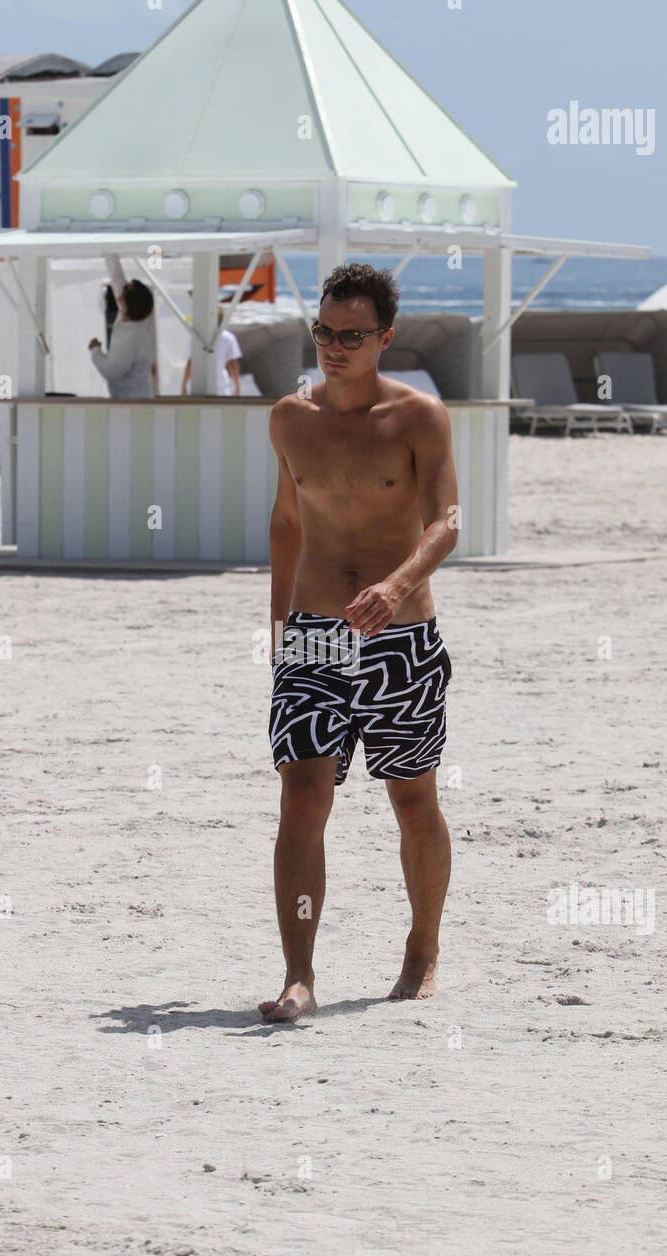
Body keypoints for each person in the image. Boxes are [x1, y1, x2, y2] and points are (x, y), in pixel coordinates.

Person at [262, 262, 458, 1023]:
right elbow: (287, 523)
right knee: (302, 795)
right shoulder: (290, 419)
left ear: (385, 338)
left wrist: (397, 585)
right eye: (325, 332)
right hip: (313, 636)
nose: (335, 347)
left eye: (352, 335)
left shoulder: (418, 416)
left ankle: (423, 948)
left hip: (399, 636)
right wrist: (279, 628)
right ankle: (299, 974)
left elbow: (447, 522)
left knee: (411, 797)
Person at [88, 254, 155, 398]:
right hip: (135, 400)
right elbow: (118, 280)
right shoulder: (136, 319)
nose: (119, 295)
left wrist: (95, 351)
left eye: (123, 295)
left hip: (131, 404)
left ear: (127, 305)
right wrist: (110, 254)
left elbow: (111, 371)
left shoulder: (130, 337)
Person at [181, 307, 242, 396]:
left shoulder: (197, 338)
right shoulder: (229, 338)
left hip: (199, 386)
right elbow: (233, 364)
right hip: (221, 385)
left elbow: (191, 363)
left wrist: (184, 384)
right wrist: (237, 386)